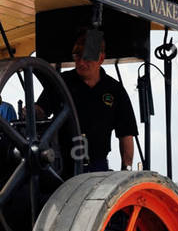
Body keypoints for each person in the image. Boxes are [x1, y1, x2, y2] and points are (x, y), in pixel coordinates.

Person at [37, 30, 137, 172]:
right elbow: (40, 111)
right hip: (60, 165)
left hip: (98, 166)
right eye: (77, 56)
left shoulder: (115, 90)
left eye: (87, 57)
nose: (81, 62)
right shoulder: (61, 82)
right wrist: (31, 112)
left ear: (101, 59)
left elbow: (126, 134)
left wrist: (126, 173)